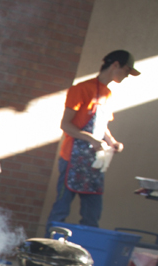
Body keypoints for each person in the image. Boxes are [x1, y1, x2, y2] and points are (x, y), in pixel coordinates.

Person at [46, 50, 139, 228]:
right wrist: (90, 139)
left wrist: (112, 142)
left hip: (93, 163)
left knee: (92, 214)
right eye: (127, 71)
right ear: (115, 65)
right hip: (71, 160)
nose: (127, 76)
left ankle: (87, 251)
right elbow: (66, 125)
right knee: (61, 209)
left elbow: (101, 126)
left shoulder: (108, 93)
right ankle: (46, 249)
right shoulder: (80, 89)